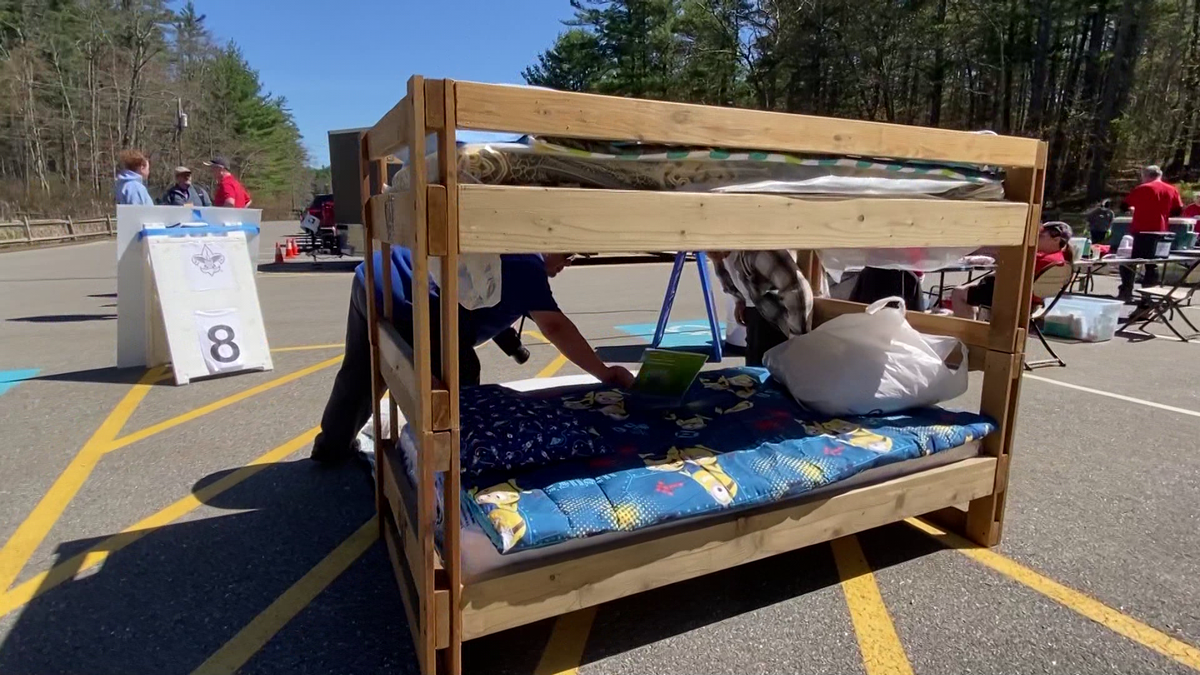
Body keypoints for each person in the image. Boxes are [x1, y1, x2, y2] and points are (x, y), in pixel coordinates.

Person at [311, 249, 635, 464]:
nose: (566, 264)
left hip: (376, 273)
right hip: (409, 296)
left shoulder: (508, 253)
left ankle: (332, 446)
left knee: (361, 369)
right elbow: (555, 327)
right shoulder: (527, 265)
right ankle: (454, 465)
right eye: (567, 255)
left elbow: (509, 309)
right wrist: (604, 373)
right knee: (460, 376)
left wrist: (515, 348)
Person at [709, 250, 813, 367]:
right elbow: (726, 273)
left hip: (781, 318)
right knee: (754, 372)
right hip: (756, 308)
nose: (709, 252)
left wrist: (797, 339)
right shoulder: (718, 249)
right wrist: (739, 300)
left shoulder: (758, 252)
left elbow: (797, 291)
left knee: (776, 373)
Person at [952, 222, 1074, 320]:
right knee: (971, 290)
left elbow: (1006, 264)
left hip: (1013, 300)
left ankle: (966, 335)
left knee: (958, 292)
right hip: (1033, 303)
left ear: (1056, 239)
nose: (1036, 238)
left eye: (1041, 235)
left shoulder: (1037, 258)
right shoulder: (1060, 259)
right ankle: (973, 326)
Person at [1118, 165, 1182, 298]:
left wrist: (1134, 209)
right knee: (1152, 264)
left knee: (1130, 262)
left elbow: (1124, 206)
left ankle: (1126, 290)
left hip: (1141, 230)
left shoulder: (1142, 188)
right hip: (1161, 232)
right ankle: (1148, 295)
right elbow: (1178, 210)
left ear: (1146, 175)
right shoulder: (1172, 190)